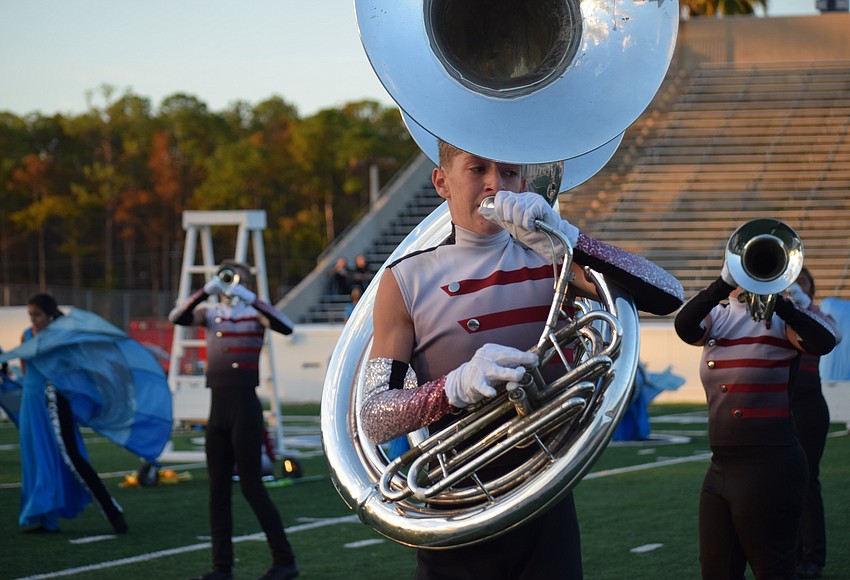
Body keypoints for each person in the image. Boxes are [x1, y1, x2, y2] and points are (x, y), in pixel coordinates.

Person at [359, 141, 684, 579]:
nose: (495, 183)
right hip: (456, 508)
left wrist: (569, 240)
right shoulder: (405, 279)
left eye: (509, 173)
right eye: (477, 169)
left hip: (546, 502)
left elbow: (667, 294)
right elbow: (374, 418)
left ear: (524, 183)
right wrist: (452, 388)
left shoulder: (556, 258)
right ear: (442, 182)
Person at [674, 259, 838, 579]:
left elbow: (825, 340)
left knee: (773, 571)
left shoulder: (781, 321)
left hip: (771, 463)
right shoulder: (717, 317)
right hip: (721, 465)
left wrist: (786, 304)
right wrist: (722, 284)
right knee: (717, 570)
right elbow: (684, 325)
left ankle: (814, 556)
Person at [169, 260, 299, 580]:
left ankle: (285, 561)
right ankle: (221, 567)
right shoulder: (210, 314)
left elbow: (286, 326)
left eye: (234, 281)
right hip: (218, 410)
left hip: (245, 407)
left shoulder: (256, 315)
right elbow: (178, 318)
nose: (228, 286)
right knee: (218, 492)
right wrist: (204, 291)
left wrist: (250, 297)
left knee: (253, 488)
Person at [15, 294, 128, 534]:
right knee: (36, 457)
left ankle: (112, 511)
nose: (33, 320)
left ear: (50, 315)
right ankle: (45, 517)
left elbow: (76, 369)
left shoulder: (62, 336)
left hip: (55, 401)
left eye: (37, 315)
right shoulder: (26, 334)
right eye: (31, 315)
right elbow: (26, 369)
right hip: (31, 403)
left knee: (71, 457)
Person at [788, 267, 835, 579]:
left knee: (806, 481)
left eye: (802, 282)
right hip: (779, 407)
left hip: (808, 407)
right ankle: (790, 554)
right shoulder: (780, 315)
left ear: (810, 291)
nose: (794, 285)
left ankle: (812, 557)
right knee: (781, 485)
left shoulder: (814, 318)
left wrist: (802, 301)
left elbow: (830, 332)